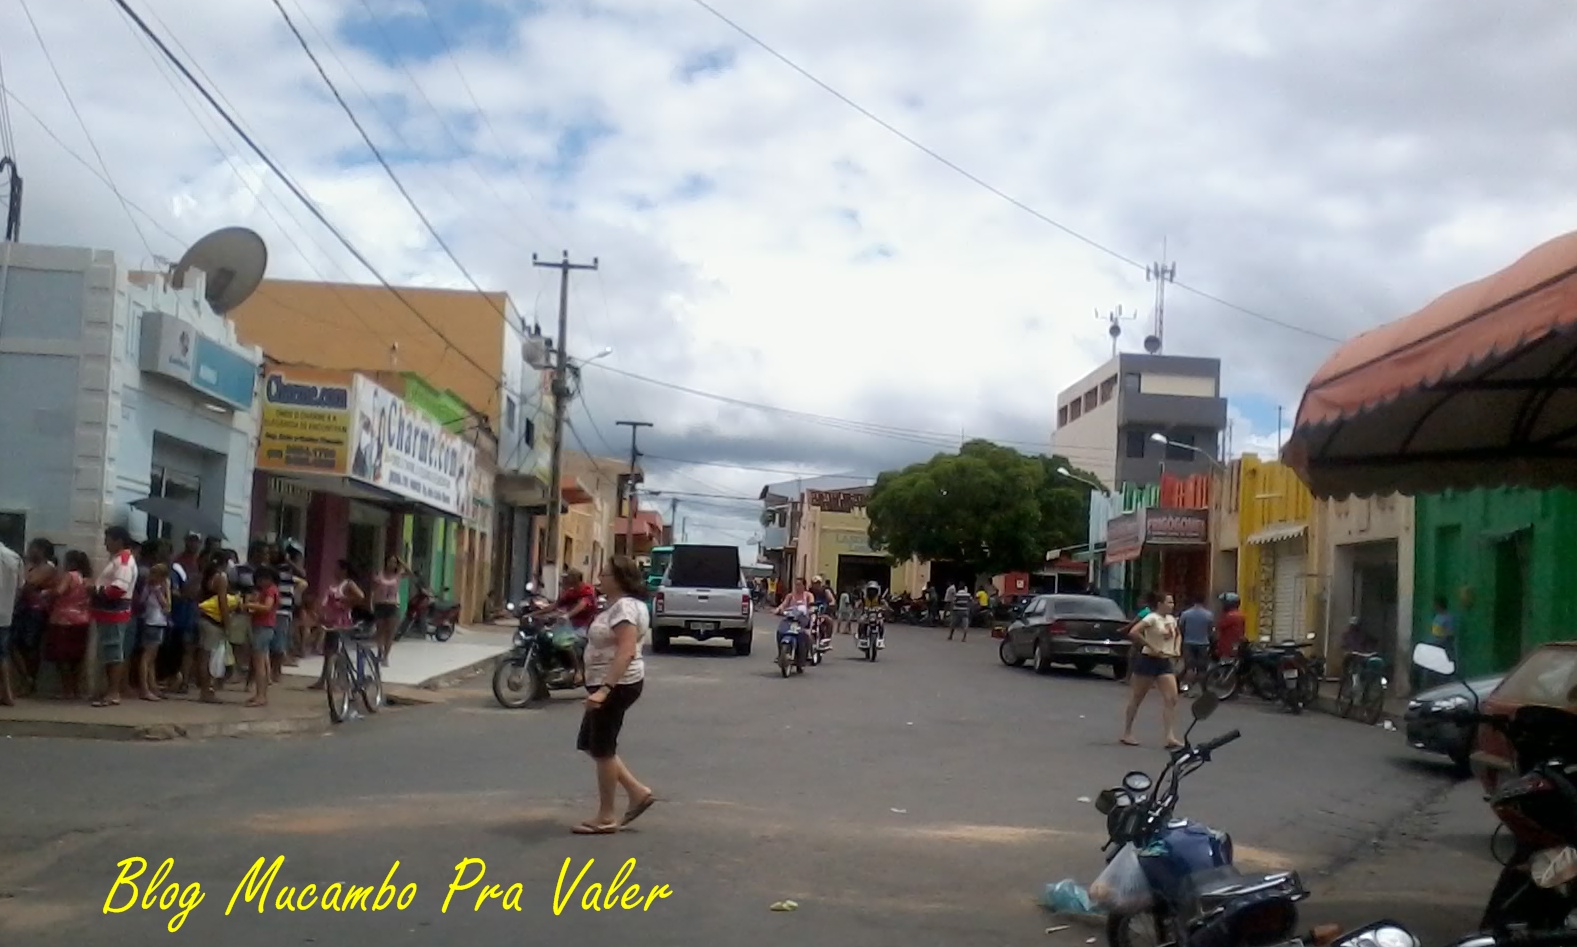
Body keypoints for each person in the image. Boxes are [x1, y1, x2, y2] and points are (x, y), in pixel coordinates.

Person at [572, 555, 655, 835]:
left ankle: (606, 815)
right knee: (591, 743)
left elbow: (626, 650)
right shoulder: (621, 606)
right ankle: (637, 792)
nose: (599, 578)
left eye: (605, 574)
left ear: (619, 579)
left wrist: (605, 690)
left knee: (603, 749)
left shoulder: (623, 608)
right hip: (608, 684)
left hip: (616, 685)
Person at [1120, 592, 1182, 748]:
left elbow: (1178, 634)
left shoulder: (1171, 620)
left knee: (1172, 698)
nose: (1172, 605)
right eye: (1169, 602)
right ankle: (1127, 732)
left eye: (1172, 602)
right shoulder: (1151, 618)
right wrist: (1150, 646)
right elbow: (1134, 632)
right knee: (1138, 697)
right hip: (1148, 660)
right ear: (1160, 604)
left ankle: (1170, 736)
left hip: (1164, 661)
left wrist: (1176, 649)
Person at [90, 526, 139, 708]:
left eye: (108, 539)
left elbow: (118, 588)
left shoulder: (124, 561)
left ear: (118, 540)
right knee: (109, 653)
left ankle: (113, 692)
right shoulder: (117, 560)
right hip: (108, 613)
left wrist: (95, 590)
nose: (105, 543)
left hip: (114, 614)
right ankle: (109, 691)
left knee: (113, 653)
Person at [45, 550, 93, 701]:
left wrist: (47, 591)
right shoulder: (87, 579)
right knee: (76, 657)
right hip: (82, 619)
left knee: (63, 657)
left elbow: (59, 592)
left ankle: (67, 690)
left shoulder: (70, 576)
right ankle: (76, 689)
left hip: (63, 619)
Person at [311, 560, 365, 690]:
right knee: (328, 650)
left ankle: (339, 679)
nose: (335, 571)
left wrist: (345, 601)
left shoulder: (348, 584)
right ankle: (324, 678)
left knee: (336, 650)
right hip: (330, 620)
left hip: (340, 620)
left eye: (337, 568)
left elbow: (361, 596)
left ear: (343, 570)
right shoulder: (334, 584)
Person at [13, 539, 57, 697]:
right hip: (23, 609)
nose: (30, 551)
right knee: (14, 644)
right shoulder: (31, 566)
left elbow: (28, 583)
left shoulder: (48, 567)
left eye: (33, 548)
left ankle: (30, 679)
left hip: (36, 610)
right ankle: (26, 677)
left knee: (31, 646)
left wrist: (24, 577)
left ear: (41, 550)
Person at [195, 554, 237, 703]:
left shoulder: (207, 575)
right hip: (214, 622)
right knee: (210, 659)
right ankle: (207, 691)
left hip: (204, 619)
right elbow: (222, 602)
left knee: (204, 657)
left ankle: (205, 690)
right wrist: (227, 624)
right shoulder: (221, 577)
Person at [553, 567, 598, 686]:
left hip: (585, 626)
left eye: (569, 578)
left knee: (566, 642)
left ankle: (578, 671)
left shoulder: (587, 591)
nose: (567, 581)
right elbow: (555, 606)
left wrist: (567, 615)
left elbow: (582, 605)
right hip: (570, 625)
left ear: (576, 579)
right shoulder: (570, 592)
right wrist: (533, 614)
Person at [244, 567, 280, 707]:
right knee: (261, 663)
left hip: (263, 627)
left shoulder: (270, 590)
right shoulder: (266, 591)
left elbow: (267, 607)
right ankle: (261, 694)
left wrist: (249, 604)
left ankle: (261, 695)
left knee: (259, 664)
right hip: (263, 627)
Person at [137, 563, 171, 702]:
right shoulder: (156, 589)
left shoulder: (147, 588)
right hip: (154, 622)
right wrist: (166, 590)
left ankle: (152, 686)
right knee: (147, 657)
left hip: (152, 621)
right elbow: (167, 606)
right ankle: (145, 688)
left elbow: (142, 601)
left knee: (151, 658)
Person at [370, 556, 408, 666]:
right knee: (380, 631)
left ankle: (386, 656)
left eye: (394, 562)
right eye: (390, 561)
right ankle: (380, 651)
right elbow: (373, 589)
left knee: (390, 633)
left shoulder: (398, 575)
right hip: (380, 604)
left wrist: (401, 562)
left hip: (393, 605)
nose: (392, 564)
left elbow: (409, 573)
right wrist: (371, 603)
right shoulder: (379, 575)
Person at [1176, 595, 1215, 694]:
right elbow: (1210, 630)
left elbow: (1180, 627)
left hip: (1188, 643)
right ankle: (1202, 691)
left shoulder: (1186, 614)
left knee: (1189, 667)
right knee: (1202, 668)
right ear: (1204, 601)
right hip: (1203, 643)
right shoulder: (1208, 615)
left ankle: (1188, 689)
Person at [0, 539, 22, 706]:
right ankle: (7, 693)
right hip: (5, 614)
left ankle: (6, 694)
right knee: (2, 654)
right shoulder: (13, 557)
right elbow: (21, 587)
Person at [774, 578, 815, 666]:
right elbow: (783, 605)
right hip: (790, 619)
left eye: (799, 584)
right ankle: (780, 653)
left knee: (805, 635)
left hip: (802, 620)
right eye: (796, 585)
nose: (797, 587)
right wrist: (778, 609)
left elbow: (811, 605)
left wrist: (811, 610)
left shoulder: (808, 595)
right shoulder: (790, 596)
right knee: (780, 631)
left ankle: (804, 655)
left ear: (804, 586)